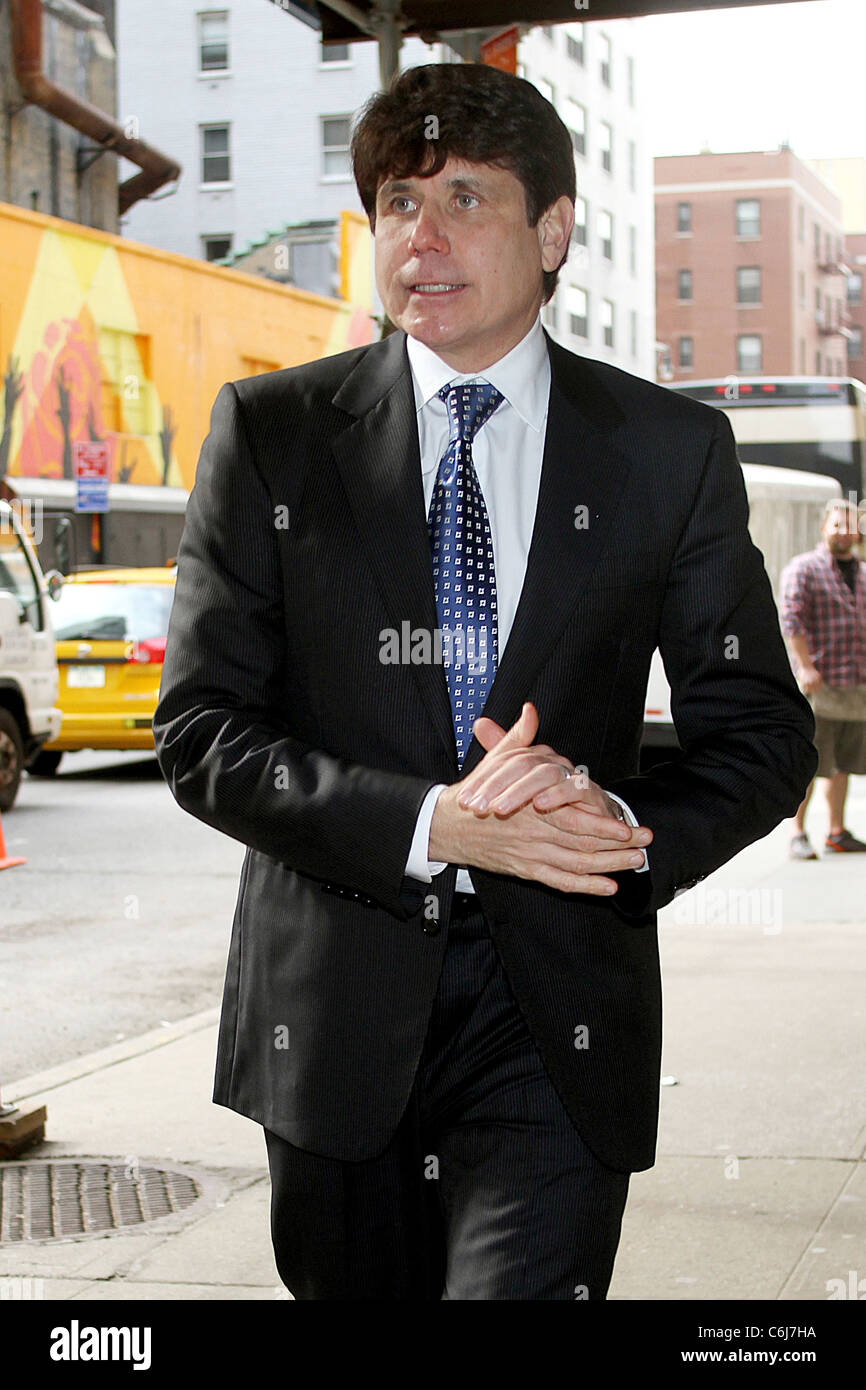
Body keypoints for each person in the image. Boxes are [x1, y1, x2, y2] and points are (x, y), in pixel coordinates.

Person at [153, 62, 817, 1301]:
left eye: (464, 196)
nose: (423, 237)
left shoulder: (666, 453)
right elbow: (199, 730)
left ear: (553, 228)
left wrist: (613, 829)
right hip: (336, 1025)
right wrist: (430, 824)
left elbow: (761, 735)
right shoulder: (271, 435)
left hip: (553, 1023)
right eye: (397, 205)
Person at [780, 497, 866, 859]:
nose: (844, 533)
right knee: (812, 763)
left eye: (850, 526)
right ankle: (798, 834)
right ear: (824, 528)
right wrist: (805, 667)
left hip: (856, 685)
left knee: (843, 763)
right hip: (820, 685)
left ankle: (836, 831)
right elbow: (792, 621)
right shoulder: (805, 568)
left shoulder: (863, 572)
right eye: (837, 525)